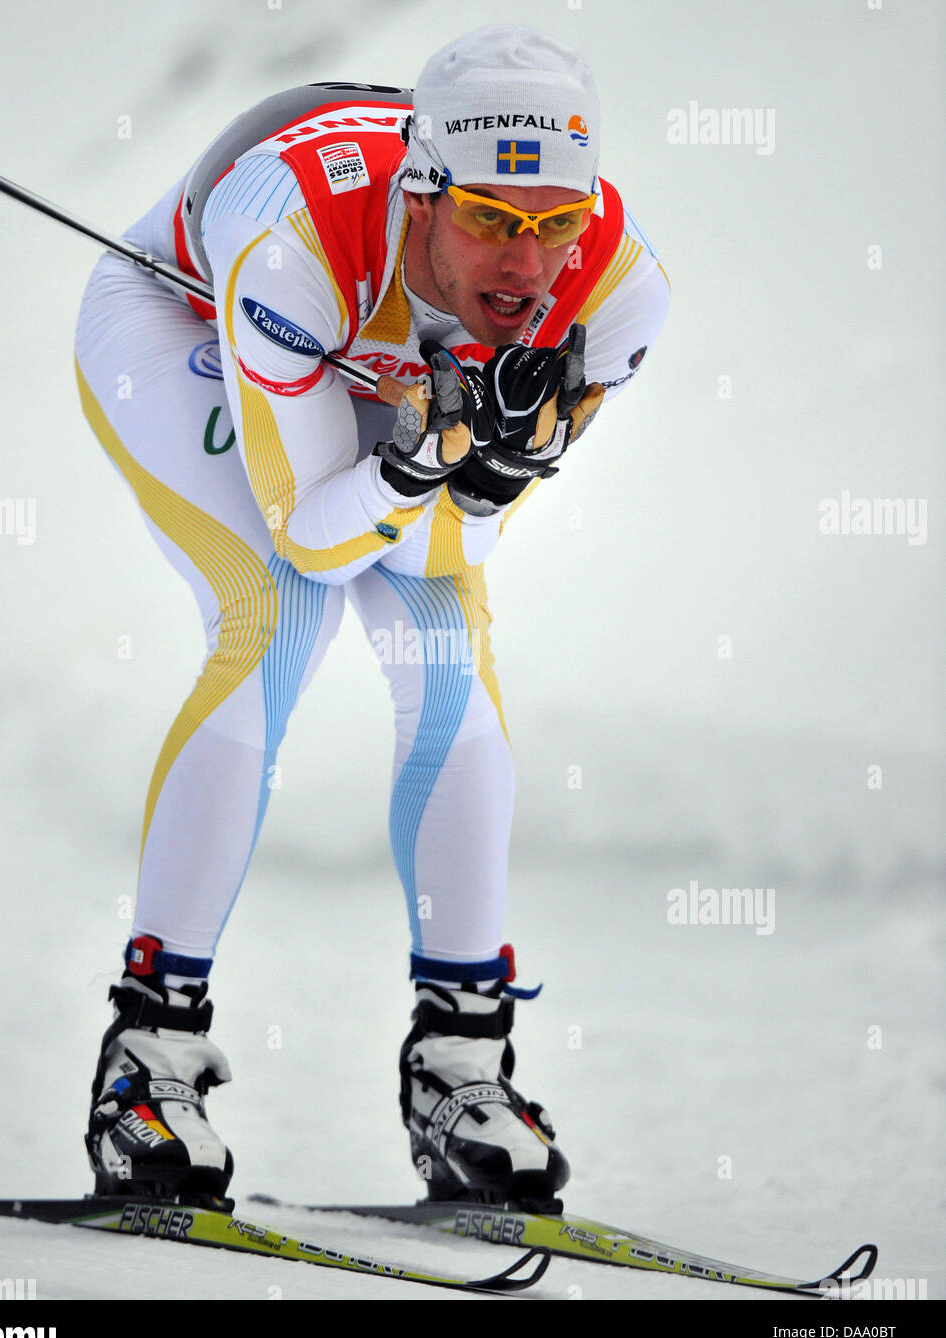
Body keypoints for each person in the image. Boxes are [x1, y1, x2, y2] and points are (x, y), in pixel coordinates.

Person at [74, 25, 669, 1212]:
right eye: (494, 220)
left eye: (556, 221)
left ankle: (462, 1067)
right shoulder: (291, 238)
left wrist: (487, 477)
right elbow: (313, 534)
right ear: (421, 192)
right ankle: (148, 1057)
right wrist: (429, 463)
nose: (529, 261)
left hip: (374, 373)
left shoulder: (615, 288)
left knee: (447, 651)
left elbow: (454, 554)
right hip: (183, 328)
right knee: (274, 614)